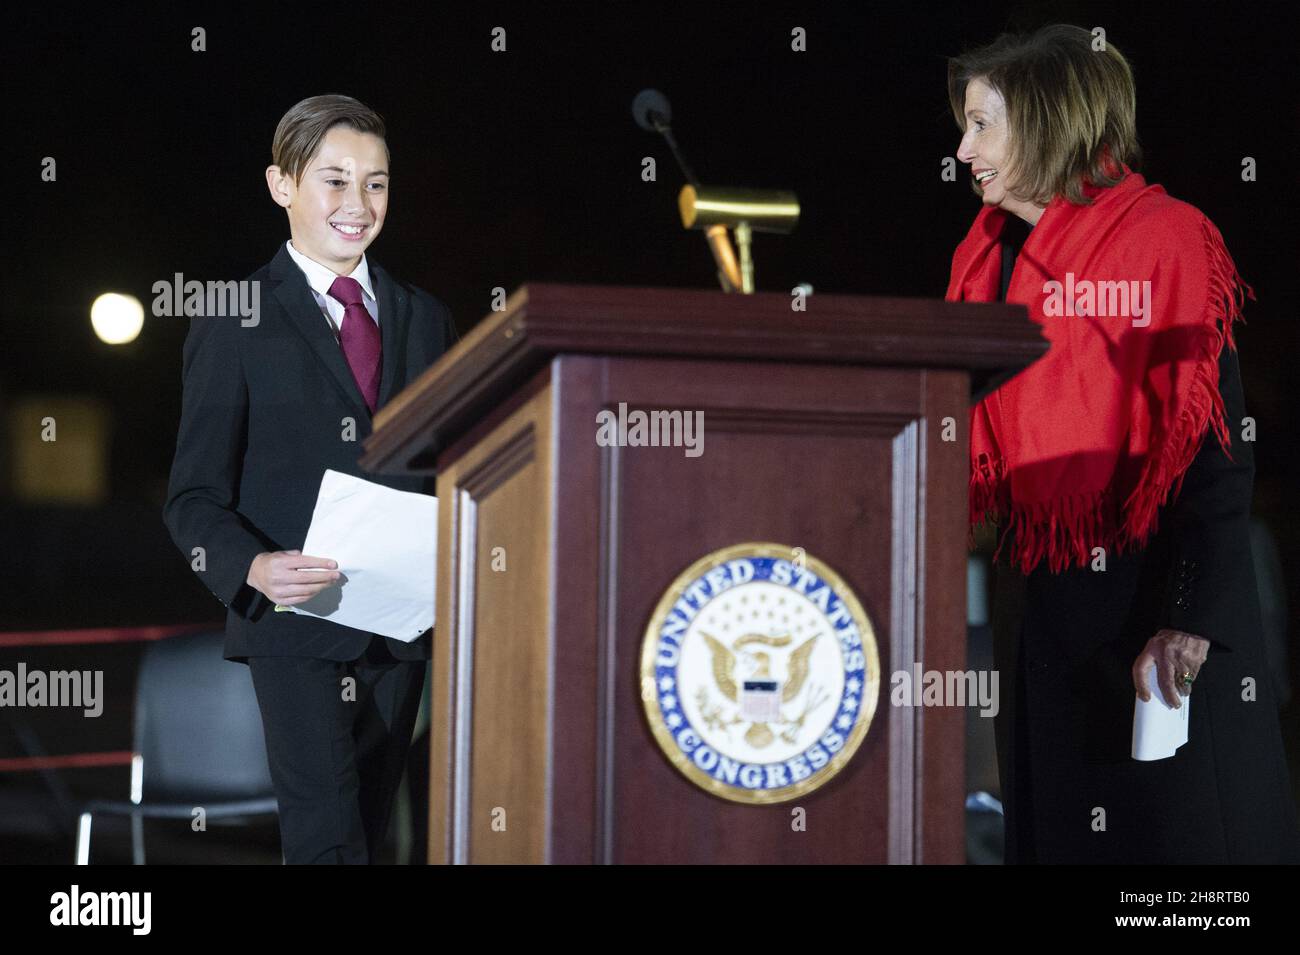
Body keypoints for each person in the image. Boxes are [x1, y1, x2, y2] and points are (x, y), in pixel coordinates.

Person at [946, 24, 1300, 863]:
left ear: (1046, 122)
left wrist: (1187, 623)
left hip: (1154, 616)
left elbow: (1217, 462)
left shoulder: (1164, 238)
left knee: (1168, 871)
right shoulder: (985, 259)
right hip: (1041, 610)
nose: (963, 151)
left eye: (982, 125)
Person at [163, 94, 458, 863]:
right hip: (295, 623)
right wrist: (253, 568)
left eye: (376, 183)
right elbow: (192, 497)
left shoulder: (427, 319)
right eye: (335, 180)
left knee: (369, 832)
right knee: (326, 837)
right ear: (281, 184)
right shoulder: (234, 319)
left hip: (402, 627)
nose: (358, 202)